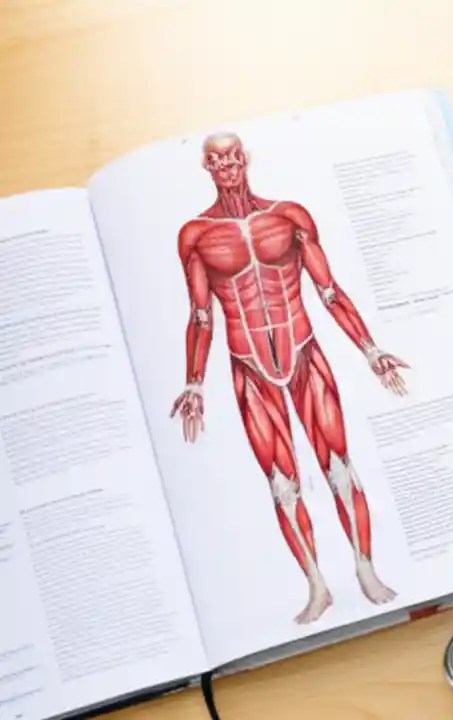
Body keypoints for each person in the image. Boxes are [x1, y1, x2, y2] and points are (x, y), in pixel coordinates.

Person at [170, 132, 407, 624]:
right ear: (206, 167)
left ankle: (365, 568)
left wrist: (370, 349)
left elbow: (328, 290)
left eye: (233, 156)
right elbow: (201, 315)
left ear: (245, 159)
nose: (227, 166)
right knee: (282, 484)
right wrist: (193, 382)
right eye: (216, 160)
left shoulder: (289, 216)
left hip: (303, 351)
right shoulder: (195, 234)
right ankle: (318, 586)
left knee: (340, 467)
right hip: (249, 365)